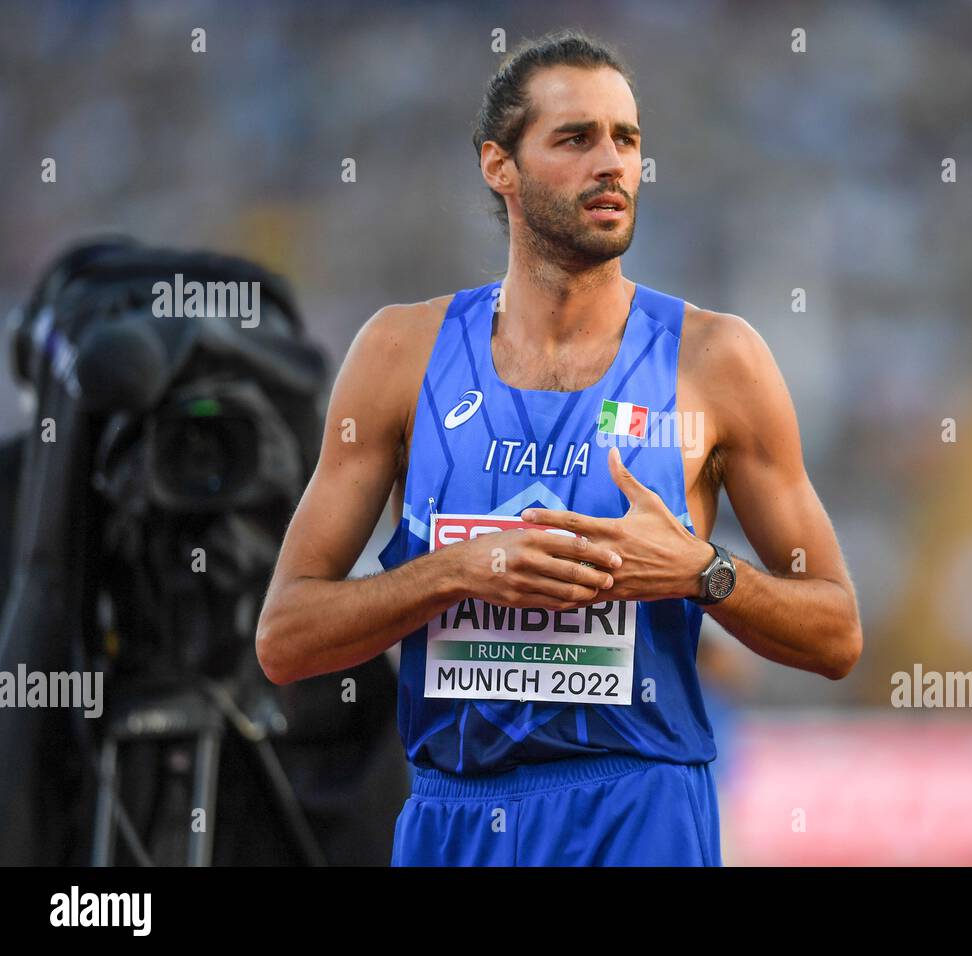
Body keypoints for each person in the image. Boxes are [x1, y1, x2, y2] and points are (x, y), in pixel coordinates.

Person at [255, 29, 862, 866]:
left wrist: (699, 572)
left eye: (628, 139)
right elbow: (286, 637)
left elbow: (835, 633)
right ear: (498, 165)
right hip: (450, 814)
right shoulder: (400, 354)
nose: (611, 163)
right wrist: (456, 571)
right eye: (576, 139)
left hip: (639, 810)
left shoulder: (717, 363)